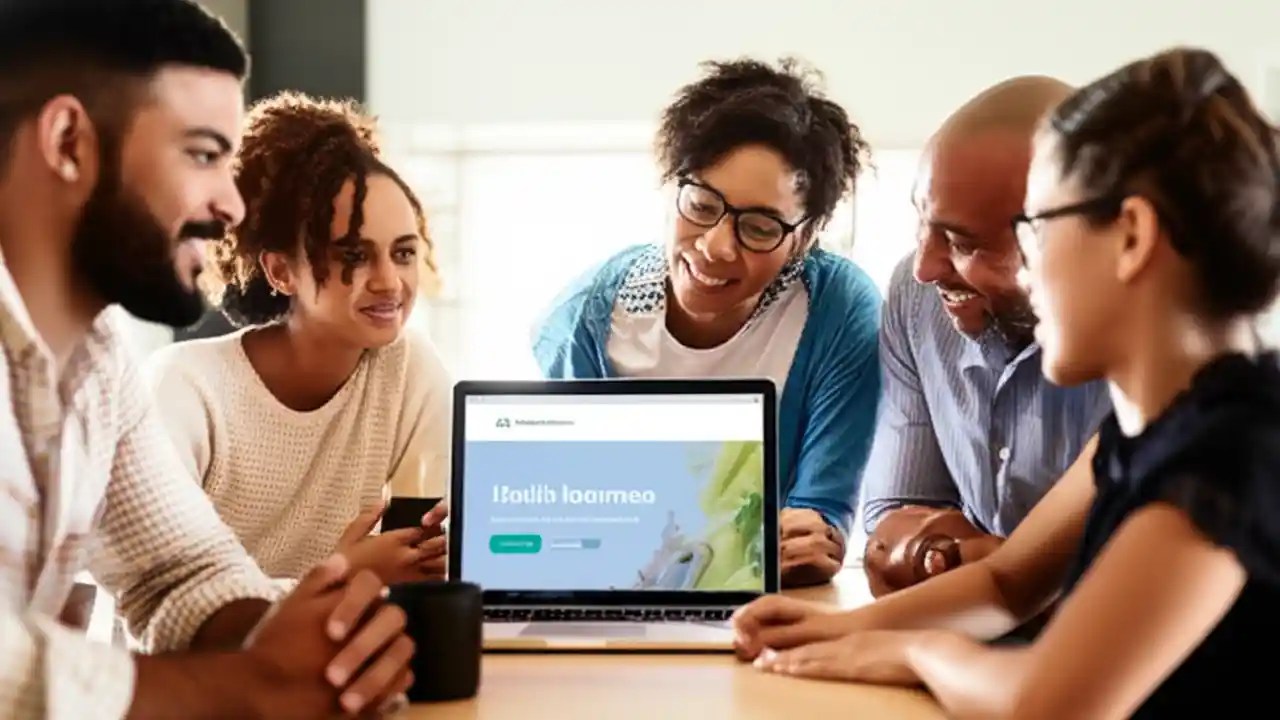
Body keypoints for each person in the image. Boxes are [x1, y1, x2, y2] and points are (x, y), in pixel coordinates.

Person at [735, 46, 1280, 719]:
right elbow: (1005, 582)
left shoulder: (1225, 461)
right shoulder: (1151, 428)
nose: (1029, 272)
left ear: (1132, 236)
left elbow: (1046, 704)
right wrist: (826, 629)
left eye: (1040, 231)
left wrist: (920, 653)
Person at [0, 2, 413, 717]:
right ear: (69, 142)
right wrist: (247, 686)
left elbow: (178, 574)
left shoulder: (99, 365)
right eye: (201, 154)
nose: (232, 205)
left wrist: (318, 645)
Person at [532, 58, 882, 587]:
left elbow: (821, 516)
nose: (716, 246)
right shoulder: (587, 319)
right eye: (700, 203)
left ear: (804, 238)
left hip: (761, 611)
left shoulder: (839, 312)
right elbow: (575, 518)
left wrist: (818, 534)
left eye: (760, 227)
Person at [145, 91, 452, 587]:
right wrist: (342, 574)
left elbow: (418, 566)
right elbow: (166, 592)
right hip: (187, 663)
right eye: (354, 256)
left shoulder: (409, 368)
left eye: (403, 253)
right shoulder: (184, 388)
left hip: (334, 655)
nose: (390, 282)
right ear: (282, 270)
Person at [858, 76, 1112, 597]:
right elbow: (893, 521)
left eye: (960, 242)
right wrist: (960, 562)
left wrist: (996, 572)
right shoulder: (917, 296)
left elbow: (1120, 595)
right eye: (922, 224)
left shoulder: (1168, 377)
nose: (926, 268)